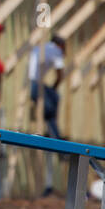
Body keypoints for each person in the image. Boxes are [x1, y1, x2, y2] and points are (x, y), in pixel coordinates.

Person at [28, 34, 67, 195]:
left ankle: (53, 134)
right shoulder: (55, 51)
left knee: (53, 100)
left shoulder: (42, 48)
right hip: (37, 86)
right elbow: (60, 74)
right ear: (60, 45)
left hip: (34, 85)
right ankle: (59, 145)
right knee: (52, 110)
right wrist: (55, 87)